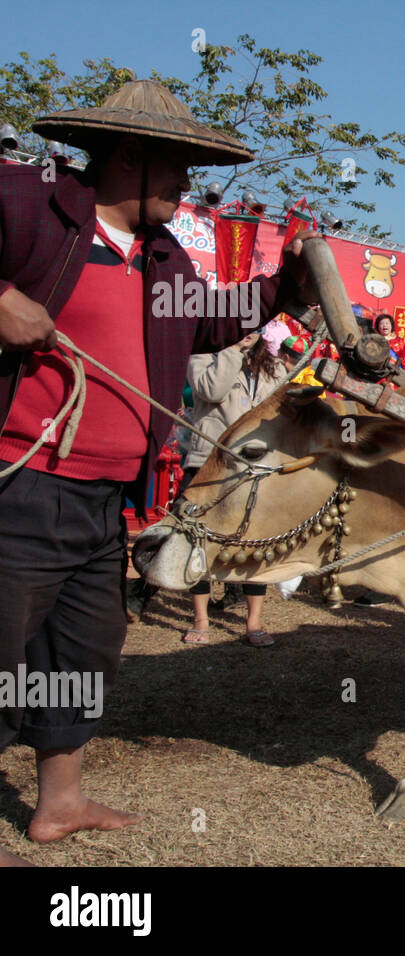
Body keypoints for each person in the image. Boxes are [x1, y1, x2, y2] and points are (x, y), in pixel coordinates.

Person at [0, 78, 309, 860]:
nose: (186, 183)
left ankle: (59, 802)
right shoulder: (31, 205)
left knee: (83, 653)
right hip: (18, 484)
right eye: (175, 165)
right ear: (128, 155)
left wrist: (285, 289)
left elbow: (210, 323)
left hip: (106, 500)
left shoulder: (165, 257)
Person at [180, 332, 289, 646]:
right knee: (198, 542)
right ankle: (201, 618)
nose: (249, 332)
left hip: (254, 465)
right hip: (208, 460)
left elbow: (279, 407)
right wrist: (233, 349)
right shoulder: (204, 353)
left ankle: (253, 621)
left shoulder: (273, 366)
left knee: (254, 544)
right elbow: (211, 390)